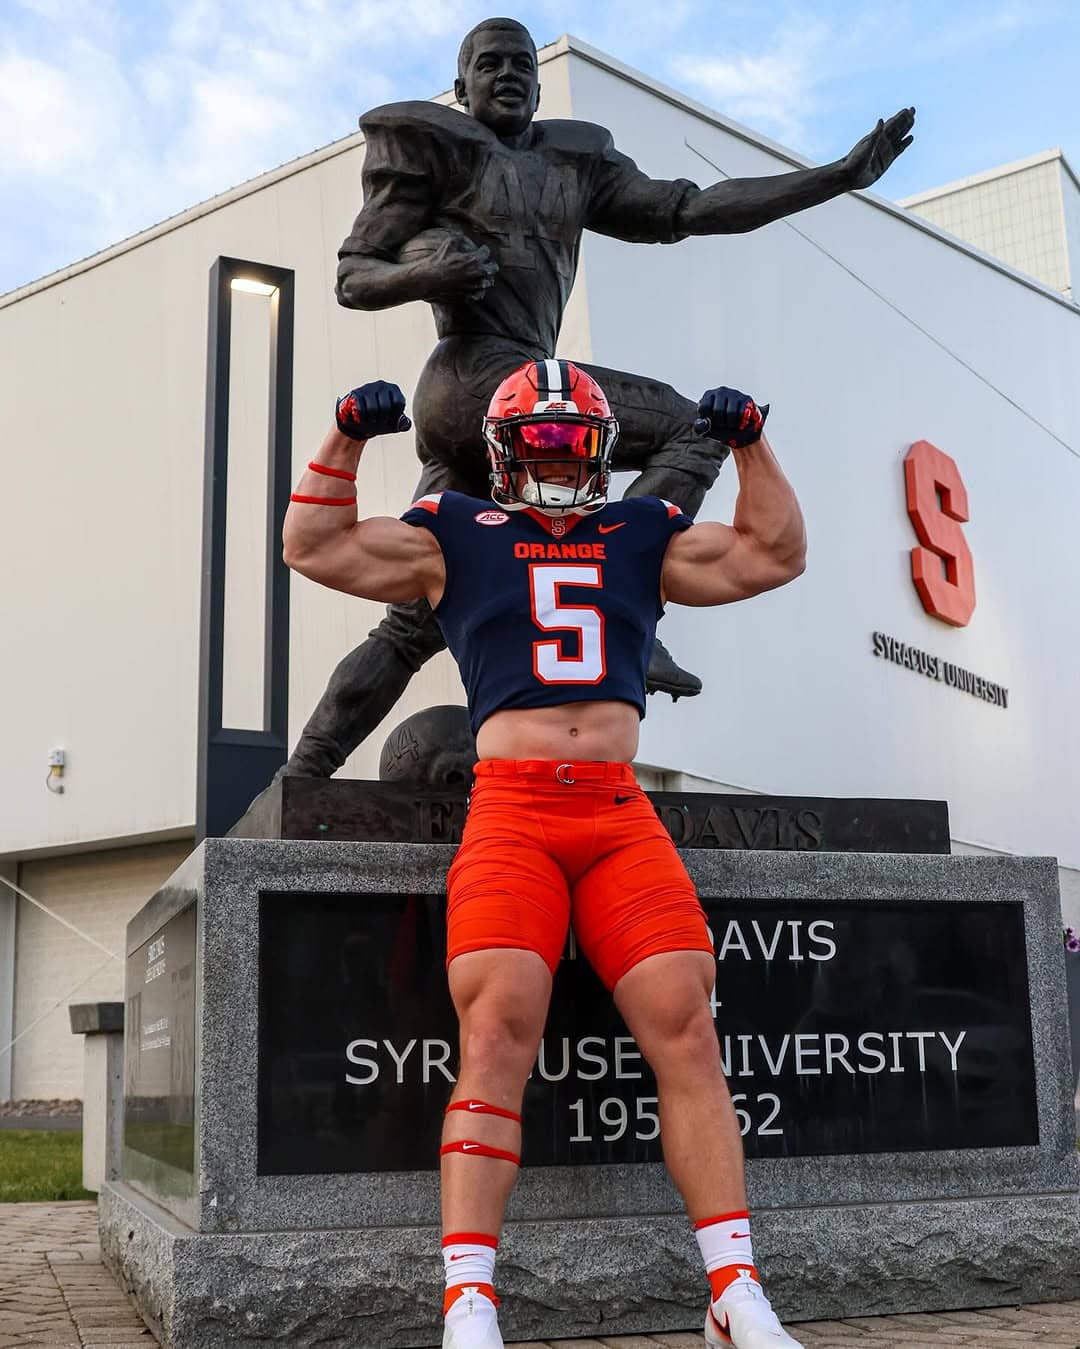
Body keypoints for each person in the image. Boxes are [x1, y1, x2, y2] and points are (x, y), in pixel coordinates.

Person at [283, 361, 804, 1347]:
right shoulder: (455, 534)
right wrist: (347, 433)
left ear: (604, 454)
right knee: (495, 1034)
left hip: (615, 811)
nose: (565, 464)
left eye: (579, 447)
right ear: (507, 454)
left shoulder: (639, 531)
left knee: (689, 1030)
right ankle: (470, 1297)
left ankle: (733, 1290)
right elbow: (311, 543)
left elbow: (774, 553)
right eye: (547, 445)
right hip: (514, 809)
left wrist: (751, 445)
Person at [280, 15, 912, 778]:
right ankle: (622, 578)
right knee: (692, 426)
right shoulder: (435, 148)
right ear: (460, 86)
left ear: (540, 85)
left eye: (520, 64)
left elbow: (692, 208)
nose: (507, 74)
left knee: (410, 628)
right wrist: (427, 274)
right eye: (488, 64)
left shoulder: (575, 161)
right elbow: (354, 274)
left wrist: (832, 179)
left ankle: (301, 779)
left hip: (498, 412)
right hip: (479, 377)